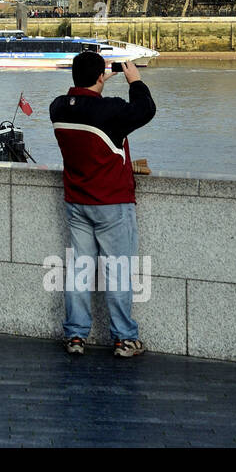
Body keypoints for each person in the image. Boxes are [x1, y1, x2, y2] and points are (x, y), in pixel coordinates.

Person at [49, 52, 156, 358]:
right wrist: (132, 77)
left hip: (77, 203)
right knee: (118, 272)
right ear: (100, 77)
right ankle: (124, 338)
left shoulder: (58, 108)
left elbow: (84, 112)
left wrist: (95, 82)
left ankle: (75, 336)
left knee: (80, 270)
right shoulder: (110, 111)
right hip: (112, 203)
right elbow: (146, 109)